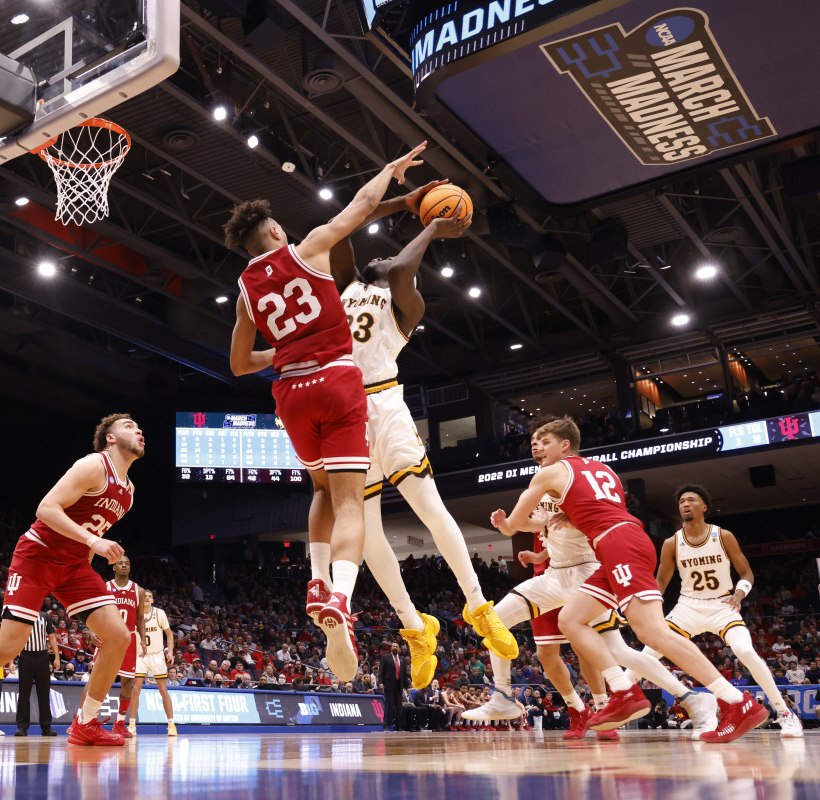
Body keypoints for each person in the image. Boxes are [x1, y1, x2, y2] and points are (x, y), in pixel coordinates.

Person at [225, 143, 430, 683]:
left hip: (290, 392)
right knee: (351, 503)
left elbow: (241, 364)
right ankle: (340, 595)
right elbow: (361, 206)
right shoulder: (308, 249)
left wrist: (288, 352)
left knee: (320, 492)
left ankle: (318, 581)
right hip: (339, 381)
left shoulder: (246, 290)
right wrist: (389, 171)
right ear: (273, 234)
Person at [328, 202, 517, 684]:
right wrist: (388, 201)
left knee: (430, 510)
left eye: (395, 258)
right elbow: (340, 235)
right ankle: (415, 627)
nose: (388, 258)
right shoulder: (347, 286)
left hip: (386, 407)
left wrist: (432, 226)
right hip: (347, 415)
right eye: (385, 258)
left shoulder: (406, 303)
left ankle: (478, 605)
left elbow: (406, 268)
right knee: (365, 532)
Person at [490, 416, 767, 743]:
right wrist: (560, 524)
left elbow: (513, 526)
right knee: (571, 619)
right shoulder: (603, 469)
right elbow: (600, 509)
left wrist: (504, 524)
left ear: (565, 445)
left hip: (618, 544)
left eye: (544, 441)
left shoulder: (548, 473)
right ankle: (625, 692)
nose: (537, 447)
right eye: (534, 442)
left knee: (651, 631)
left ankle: (733, 701)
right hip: (617, 544)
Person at [0, 414, 143, 746]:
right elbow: (46, 509)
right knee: (9, 647)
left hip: (75, 565)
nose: (138, 430)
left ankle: (86, 722)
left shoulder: (129, 492)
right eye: (128, 426)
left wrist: (83, 595)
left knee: (119, 636)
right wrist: (93, 542)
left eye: (139, 427)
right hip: (38, 555)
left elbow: (91, 530)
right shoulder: (95, 465)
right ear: (110, 438)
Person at [622, 484, 803, 738]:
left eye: (691, 500)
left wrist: (739, 594)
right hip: (687, 607)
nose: (685, 504)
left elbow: (746, 573)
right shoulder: (671, 542)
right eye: (682, 501)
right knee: (647, 653)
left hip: (722, 605)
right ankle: (618, 703)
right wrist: (646, 606)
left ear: (703, 507)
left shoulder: (723, 535)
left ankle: (785, 713)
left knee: (745, 651)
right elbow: (660, 583)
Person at [103, 556, 144, 738]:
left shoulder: (138, 590)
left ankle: (120, 723)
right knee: (102, 678)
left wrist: (142, 640)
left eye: (127, 563)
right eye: (120, 563)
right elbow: (99, 612)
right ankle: (85, 719)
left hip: (129, 638)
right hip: (110, 637)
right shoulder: (106, 587)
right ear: (114, 567)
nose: (124, 566)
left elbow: (141, 617)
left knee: (127, 682)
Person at [132, 589, 176, 735]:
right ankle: (132, 725)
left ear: (152, 600)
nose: (147, 598)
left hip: (157, 655)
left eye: (150, 596)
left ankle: (171, 724)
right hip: (140, 655)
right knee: (136, 690)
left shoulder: (159, 613)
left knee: (163, 690)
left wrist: (169, 652)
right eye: (145, 596)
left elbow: (169, 635)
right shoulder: (134, 613)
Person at [14, 606, 58, 737]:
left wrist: (56, 657)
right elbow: (14, 638)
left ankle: (46, 727)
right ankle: (22, 727)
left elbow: (52, 637)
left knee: (44, 693)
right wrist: (11, 660)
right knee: (23, 693)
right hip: (25, 656)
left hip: (42, 656)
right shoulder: (22, 615)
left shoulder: (45, 616)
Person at [378, 641, 407, 732]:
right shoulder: (385, 658)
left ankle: (398, 726)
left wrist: (407, 686)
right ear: (391, 648)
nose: (394, 647)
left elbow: (404, 674)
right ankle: (387, 726)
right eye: (393, 646)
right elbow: (380, 673)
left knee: (399, 707)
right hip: (389, 686)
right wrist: (381, 683)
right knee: (389, 706)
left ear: (399, 649)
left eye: (396, 646)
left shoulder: (402, 659)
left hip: (399, 686)